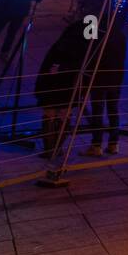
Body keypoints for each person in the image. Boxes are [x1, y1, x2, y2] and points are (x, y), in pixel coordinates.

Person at [33, 19, 85, 159]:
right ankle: (57, 149)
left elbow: (48, 64)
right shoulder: (84, 47)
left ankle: (49, 149)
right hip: (70, 85)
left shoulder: (62, 44)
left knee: (50, 114)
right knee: (64, 115)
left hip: (53, 84)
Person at [85, 20, 128, 157]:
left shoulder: (97, 33)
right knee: (113, 110)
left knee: (98, 111)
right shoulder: (120, 35)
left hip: (99, 78)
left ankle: (96, 144)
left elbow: (89, 52)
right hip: (115, 78)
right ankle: (113, 143)